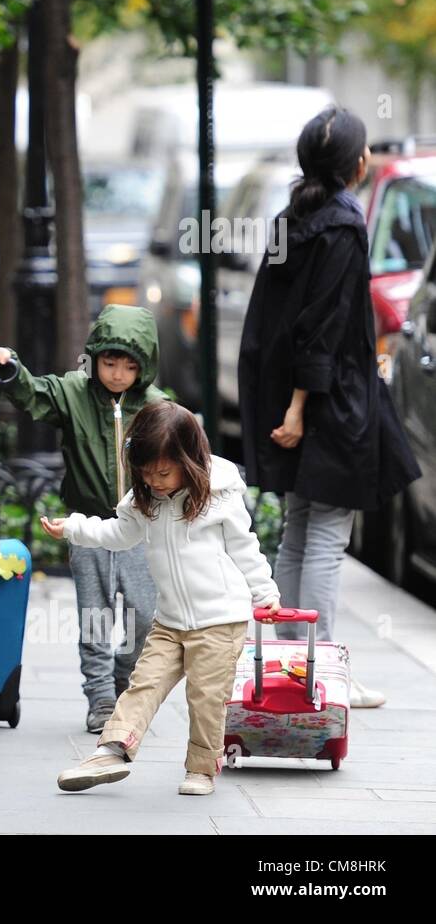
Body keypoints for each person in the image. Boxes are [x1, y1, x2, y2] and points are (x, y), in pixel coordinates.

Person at [238, 105, 420, 709]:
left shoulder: (296, 216)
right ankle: (316, 672)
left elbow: (277, 320)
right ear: (359, 164)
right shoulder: (342, 224)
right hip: (328, 400)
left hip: (300, 394)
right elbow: (321, 325)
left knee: (298, 529)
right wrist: (299, 408)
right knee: (324, 537)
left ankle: (290, 666)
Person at [44, 401, 281, 796]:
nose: (154, 480)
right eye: (146, 472)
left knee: (205, 698)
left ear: (188, 460)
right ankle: (112, 748)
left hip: (220, 621)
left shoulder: (219, 498)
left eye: (164, 472)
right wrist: (74, 528)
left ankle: (202, 768)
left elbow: (246, 549)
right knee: (144, 683)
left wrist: (266, 593)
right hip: (169, 621)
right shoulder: (144, 500)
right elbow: (119, 534)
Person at [0, 304, 165, 733]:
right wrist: (12, 369)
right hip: (88, 524)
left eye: (130, 366)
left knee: (144, 615)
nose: (118, 374)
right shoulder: (73, 392)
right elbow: (35, 393)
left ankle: (125, 683)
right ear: (94, 358)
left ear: (145, 367)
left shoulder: (156, 407)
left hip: (141, 527)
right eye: (109, 363)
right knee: (96, 615)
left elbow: (182, 458)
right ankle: (101, 698)